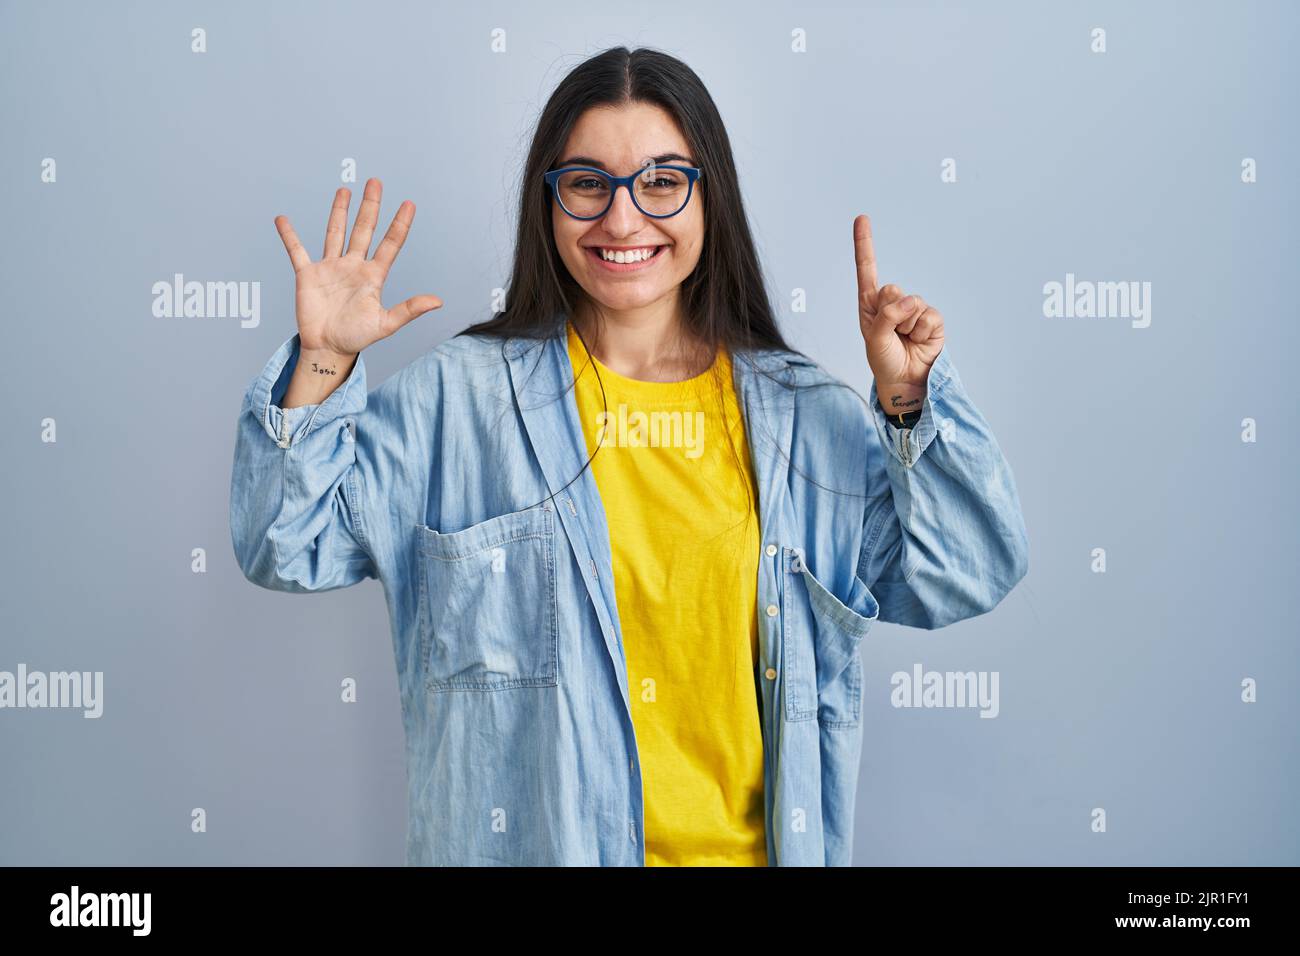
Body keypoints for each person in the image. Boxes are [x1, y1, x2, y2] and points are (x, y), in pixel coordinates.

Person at [229, 45, 1029, 867]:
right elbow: (287, 545)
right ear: (549, 200)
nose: (621, 219)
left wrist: (908, 400)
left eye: (660, 182)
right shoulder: (455, 404)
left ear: (708, 197)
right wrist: (324, 359)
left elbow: (963, 570)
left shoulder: (806, 419)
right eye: (588, 183)